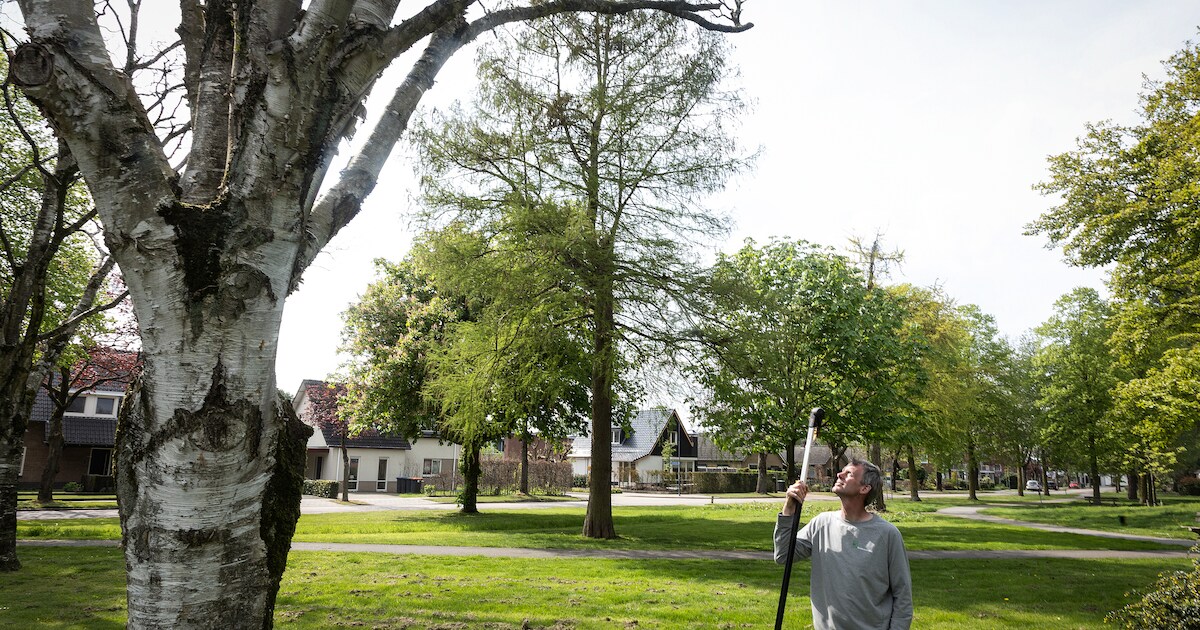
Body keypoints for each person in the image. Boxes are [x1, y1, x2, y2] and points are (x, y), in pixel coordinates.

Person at [774, 459, 913, 630]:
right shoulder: (821, 524)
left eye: (849, 474)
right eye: (842, 471)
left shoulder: (887, 534)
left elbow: (903, 595)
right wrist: (788, 509)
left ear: (865, 488)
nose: (839, 474)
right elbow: (783, 555)